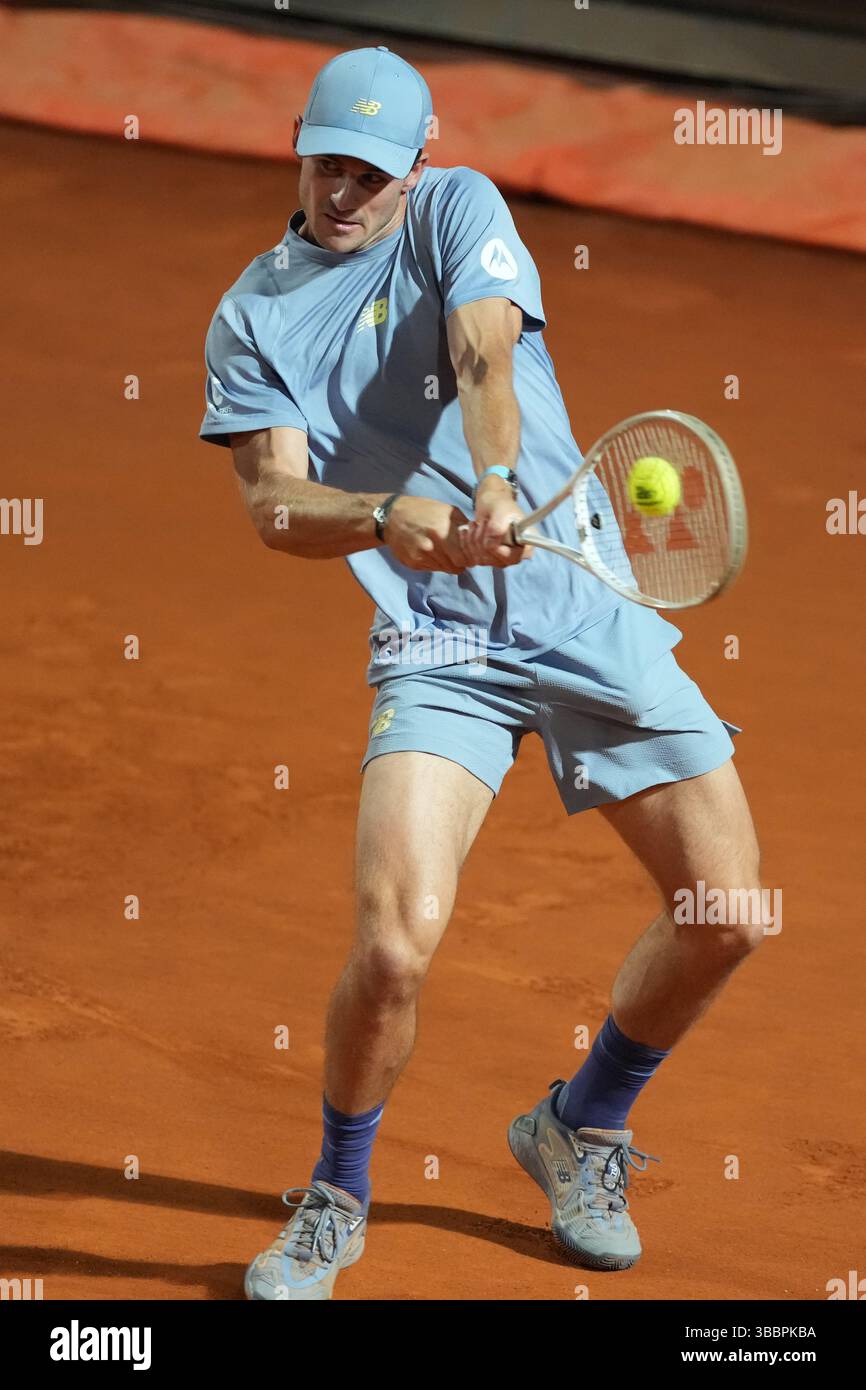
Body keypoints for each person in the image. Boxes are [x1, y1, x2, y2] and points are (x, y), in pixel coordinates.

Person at [199, 46, 763, 1301]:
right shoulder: (253, 315)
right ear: (298, 146)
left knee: (726, 912)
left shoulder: (458, 208)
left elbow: (483, 357)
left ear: (419, 162)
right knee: (395, 945)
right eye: (326, 161)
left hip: (580, 604)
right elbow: (273, 506)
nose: (344, 190)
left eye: (372, 171)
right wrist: (377, 513)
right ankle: (335, 1195)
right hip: (436, 642)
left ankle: (580, 1122)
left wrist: (495, 481)